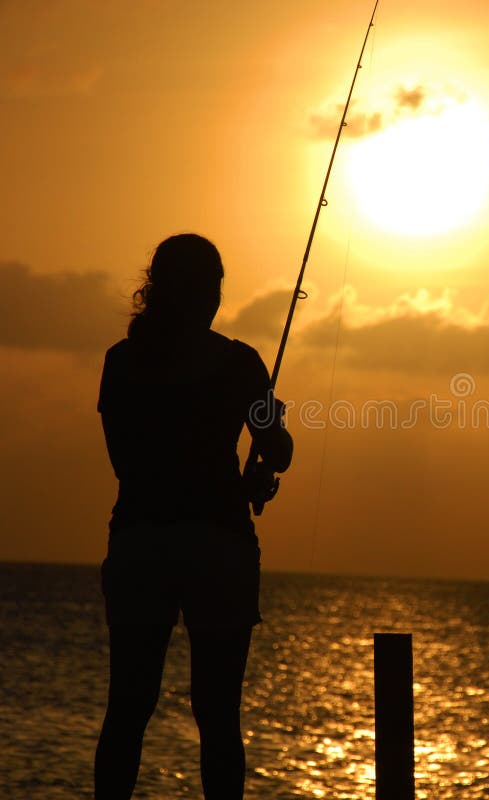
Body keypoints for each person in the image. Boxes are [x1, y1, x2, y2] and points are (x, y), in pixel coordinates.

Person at [94, 233, 292, 800]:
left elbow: (122, 462)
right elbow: (276, 449)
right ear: (211, 293)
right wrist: (263, 447)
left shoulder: (121, 362)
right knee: (219, 716)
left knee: (127, 710)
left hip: (139, 543)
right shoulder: (241, 364)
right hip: (219, 547)